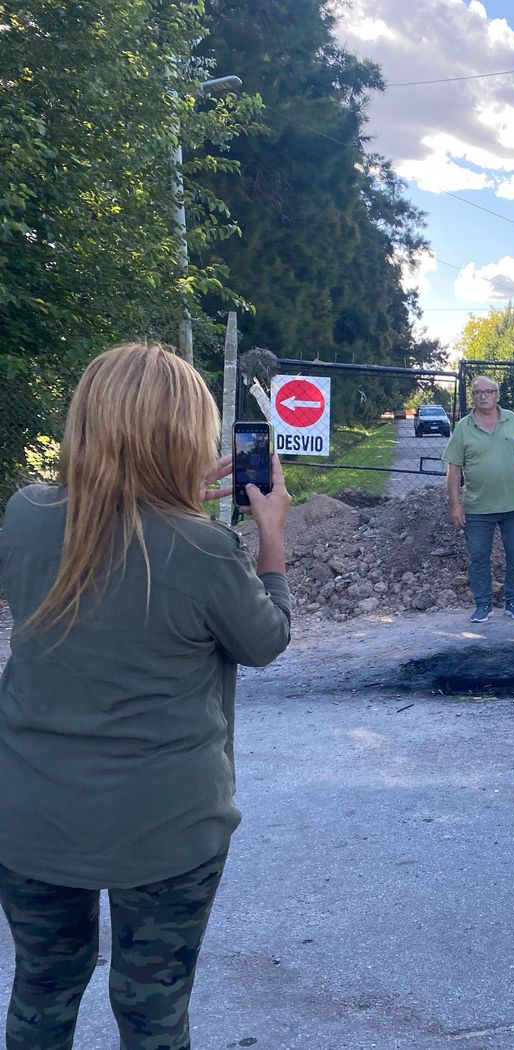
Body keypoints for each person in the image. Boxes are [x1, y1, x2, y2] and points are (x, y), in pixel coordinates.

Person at [0, 342, 292, 1050]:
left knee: (42, 986)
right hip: (166, 827)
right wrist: (272, 537)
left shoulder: (24, 516)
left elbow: (108, 554)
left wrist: (176, 505)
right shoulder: (205, 548)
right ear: (182, 435)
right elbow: (266, 640)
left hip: (31, 818)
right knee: (153, 1012)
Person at [444, 375, 514, 623]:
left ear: (497, 395)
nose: (483, 396)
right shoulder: (463, 427)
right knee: (478, 556)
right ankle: (483, 604)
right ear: (472, 397)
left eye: (488, 392)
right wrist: (455, 505)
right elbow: (453, 469)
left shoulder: (513, 420)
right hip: (477, 507)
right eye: (478, 393)